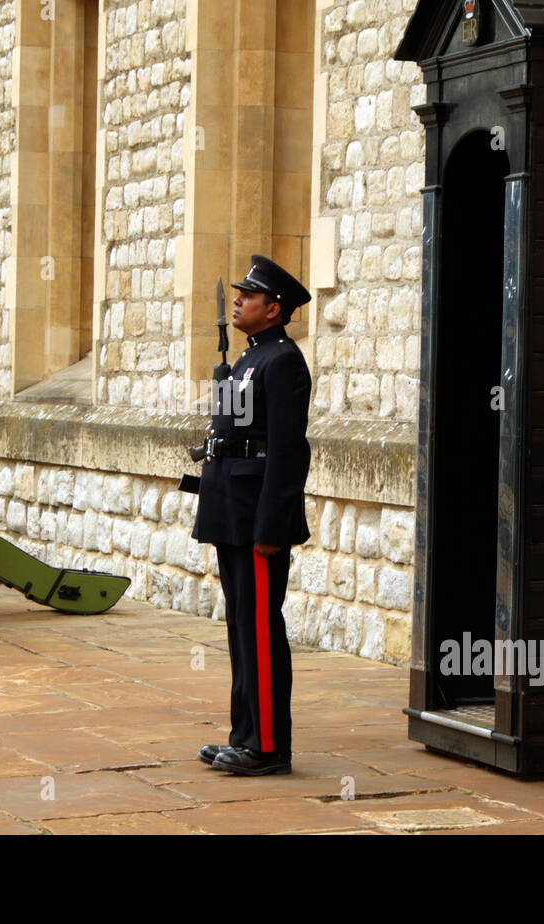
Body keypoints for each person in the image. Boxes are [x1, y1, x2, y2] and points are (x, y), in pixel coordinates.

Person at [190, 254, 312, 776]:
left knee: (260, 628)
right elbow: (231, 431)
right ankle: (244, 734)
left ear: (274, 309)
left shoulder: (283, 361)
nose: (237, 301)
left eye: (249, 296)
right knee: (242, 627)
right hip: (231, 510)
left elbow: (288, 452)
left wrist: (272, 528)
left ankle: (266, 747)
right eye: (238, 294)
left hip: (256, 517)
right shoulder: (248, 360)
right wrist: (223, 378)